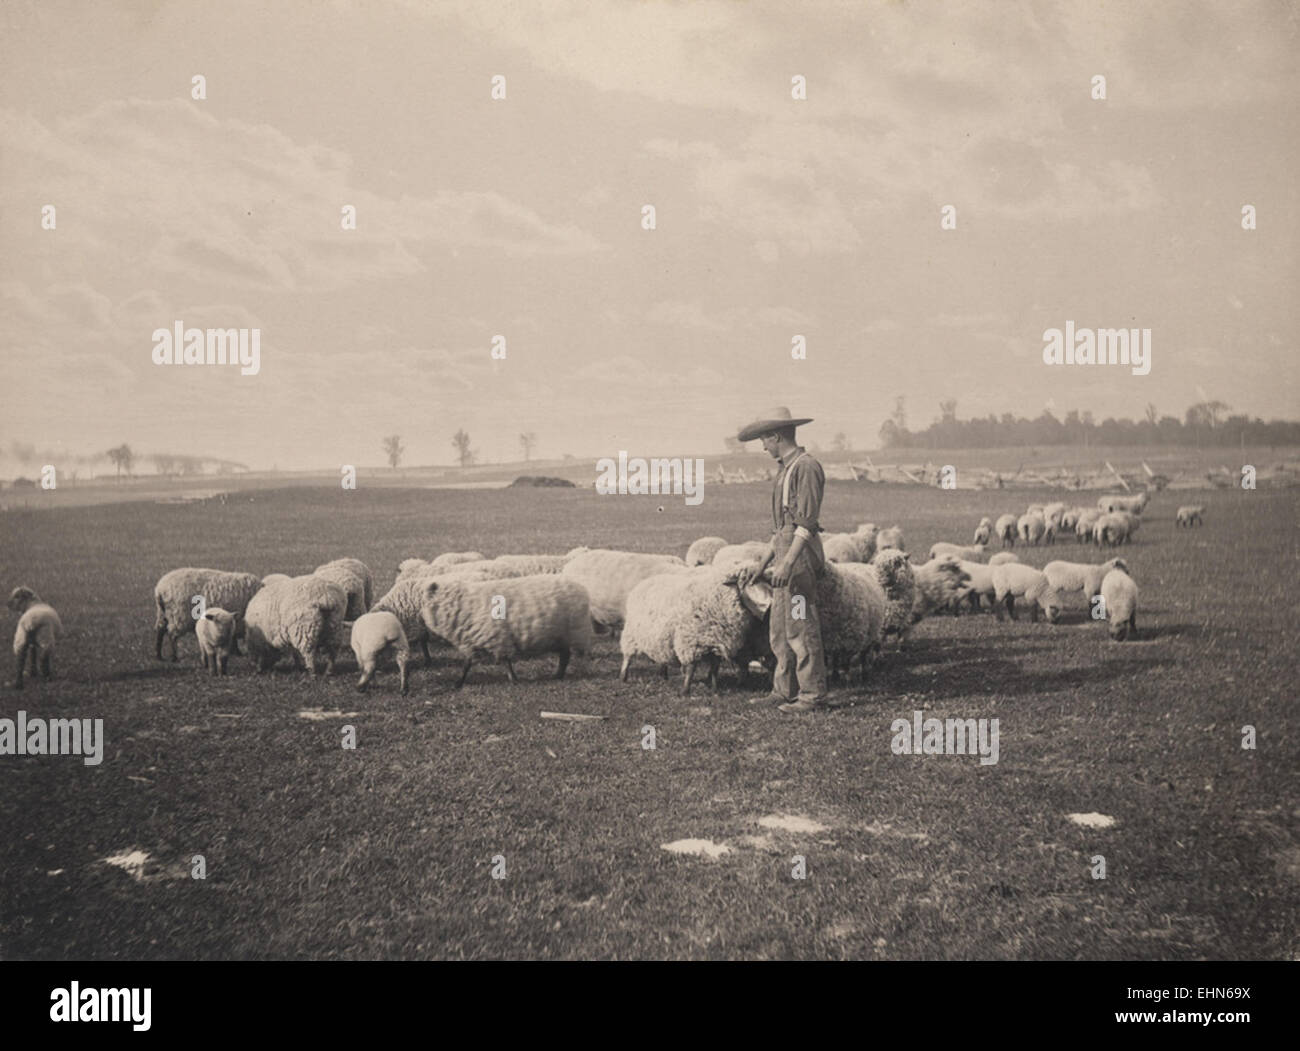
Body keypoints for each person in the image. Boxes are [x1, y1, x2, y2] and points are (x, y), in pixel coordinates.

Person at [735, 407, 829, 713]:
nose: (763, 446)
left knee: (801, 625)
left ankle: (812, 695)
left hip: (798, 558)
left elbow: (805, 523)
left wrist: (788, 562)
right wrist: (763, 563)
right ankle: (783, 689)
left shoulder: (807, 468)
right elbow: (780, 529)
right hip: (784, 551)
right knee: (779, 628)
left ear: (776, 436)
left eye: (764, 439)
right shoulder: (785, 470)